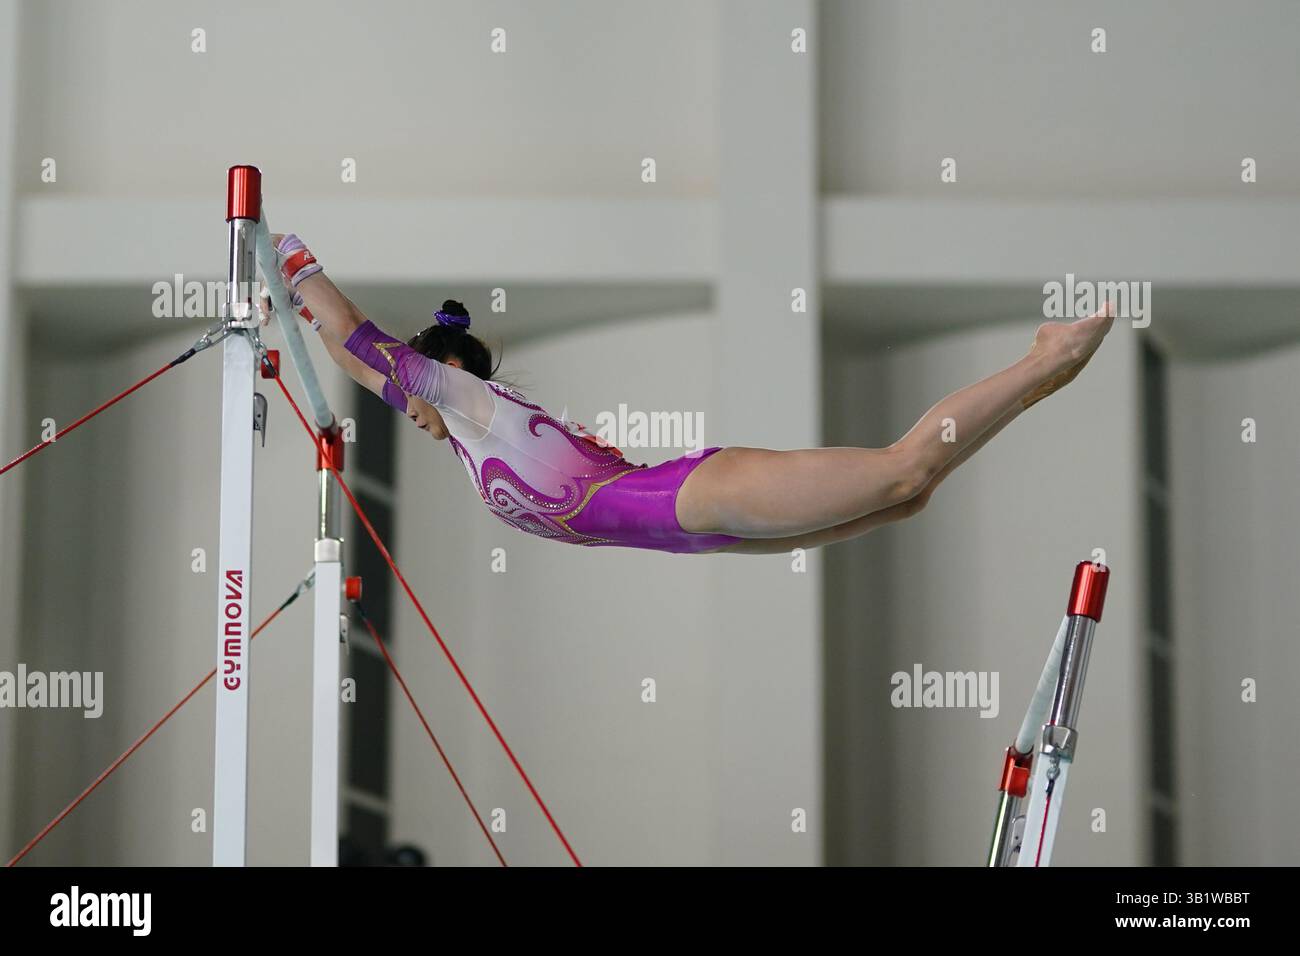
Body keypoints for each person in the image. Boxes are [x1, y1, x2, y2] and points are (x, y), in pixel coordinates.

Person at [269, 233, 1114, 555]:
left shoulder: (465, 402)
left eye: (403, 389)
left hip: (697, 493)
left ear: (433, 372)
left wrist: (288, 261)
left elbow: (355, 341)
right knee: (908, 501)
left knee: (901, 473)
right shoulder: (463, 438)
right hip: (702, 533)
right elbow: (356, 365)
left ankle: (1045, 361)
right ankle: (1036, 381)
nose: (397, 404)